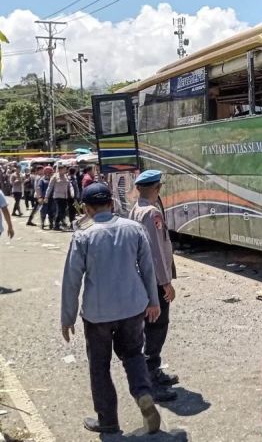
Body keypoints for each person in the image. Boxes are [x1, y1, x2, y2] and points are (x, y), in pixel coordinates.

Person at [60, 183, 162, 434]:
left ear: (86, 208)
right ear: (112, 204)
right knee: (133, 355)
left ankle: (108, 421)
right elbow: (148, 269)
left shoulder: (83, 235)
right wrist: (154, 301)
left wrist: (67, 317)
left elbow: (72, 280)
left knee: (100, 365)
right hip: (133, 308)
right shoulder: (134, 229)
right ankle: (144, 394)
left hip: (98, 315)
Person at [128, 170, 179, 401]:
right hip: (155, 281)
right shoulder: (151, 212)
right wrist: (165, 282)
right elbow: (156, 251)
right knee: (157, 326)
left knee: (151, 325)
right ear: (157, 189)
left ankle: (153, 371)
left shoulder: (135, 209)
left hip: (143, 278)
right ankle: (150, 379)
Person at [46, 164, 75, 231]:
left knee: (63, 211)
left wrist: (72, 192)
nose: (65, 170)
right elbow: (50, 187)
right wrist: (46, 196)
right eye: (63, 169)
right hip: (57, 196)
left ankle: (59, 223)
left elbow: (70, 185)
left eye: (65, 169)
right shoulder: (55, 177)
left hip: (65, 197)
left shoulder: (66, 176)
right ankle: (56, 224)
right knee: (60, 210)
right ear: (59, 169)